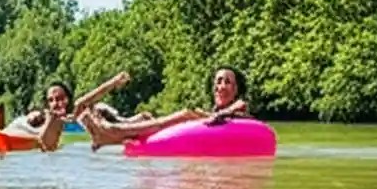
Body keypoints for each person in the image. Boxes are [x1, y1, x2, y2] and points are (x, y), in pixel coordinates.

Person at [79, 66, 252, 150]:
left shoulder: (238, 108)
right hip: (206, 128)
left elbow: (240, 105)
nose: (221, 86)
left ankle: (112, 131)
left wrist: (223, 114)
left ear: (235, 90)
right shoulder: (211, 111)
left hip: (226, 136)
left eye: (227, 82)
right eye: (218, 81)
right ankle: (107, 138)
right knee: (146, 118)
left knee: (186, 114)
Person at [0, 71, 151, 151]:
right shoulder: (44, 118)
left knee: (103, 114)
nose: (56, 103)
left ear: (68, 100)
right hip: (36, 140)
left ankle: (138, 122)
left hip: (96, 137)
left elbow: (89, 98)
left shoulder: (76, 116)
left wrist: (115, 82)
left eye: (60, 98)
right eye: (51, 100)